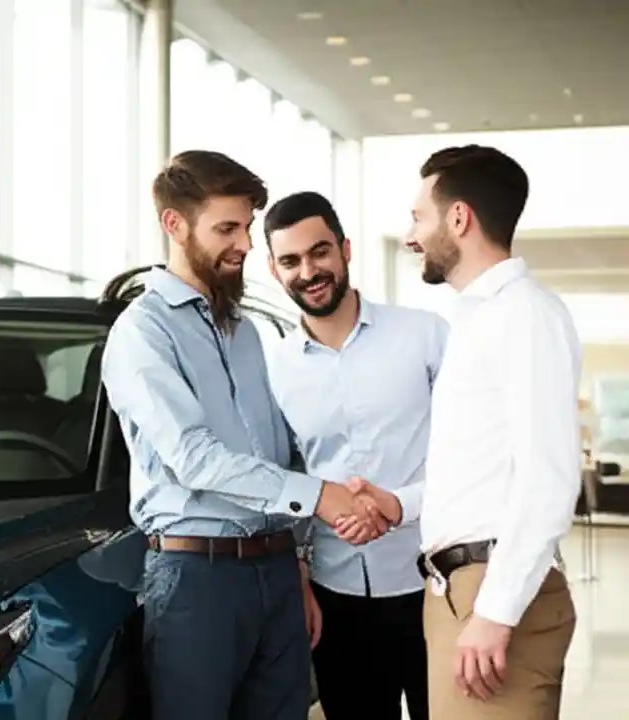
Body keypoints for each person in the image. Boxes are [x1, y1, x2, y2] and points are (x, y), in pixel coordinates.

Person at [99, 150, 386, 720]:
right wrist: (323, 497)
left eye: (247, 227)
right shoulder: (143, 333)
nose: (246, 245)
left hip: (277, 575)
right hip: (196, 582)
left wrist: (299, 565)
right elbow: (195, 460)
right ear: (174, 225)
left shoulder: (246, 333)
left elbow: (281, 452)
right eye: (227, 228)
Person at [408, 144, 581, 719]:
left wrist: (496, 611)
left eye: (419, 218)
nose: (412, 237)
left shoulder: (524, 313)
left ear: (459, 218)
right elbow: (480, 474)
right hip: (461, 593)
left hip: (492, 594)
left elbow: (549, 478)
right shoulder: (480, 319)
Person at [263, 190, 448, 720]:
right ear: (275, 272)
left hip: (435, 584)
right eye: (291, 261)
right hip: (335, 594)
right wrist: (298, 576)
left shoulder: (426, 336)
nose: (309, 271)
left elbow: (473, 457)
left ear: (345, 249)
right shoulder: (273, 369)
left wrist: (398, 503)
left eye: (319, 252)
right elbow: (281, 477)